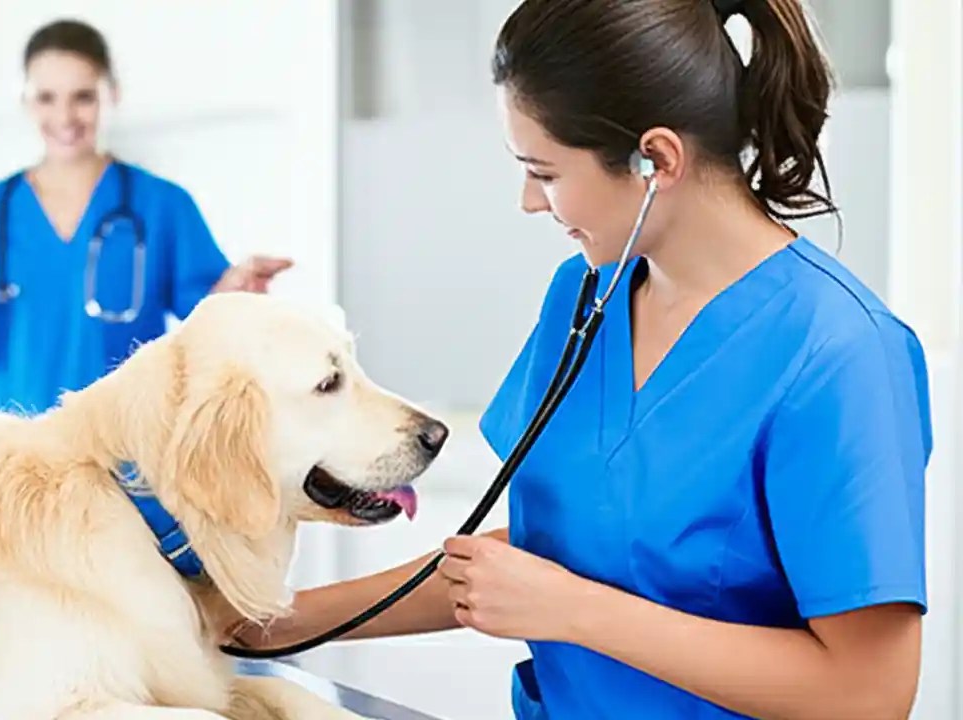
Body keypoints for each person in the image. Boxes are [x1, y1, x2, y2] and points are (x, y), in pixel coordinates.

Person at [217, 1, 931, 718]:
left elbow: (868, 694)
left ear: (656, 160)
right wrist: (277, 621)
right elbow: (536, 559)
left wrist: (577, 613)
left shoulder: (842, 355)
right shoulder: (584, 297)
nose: (530, 201)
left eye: (545, 172)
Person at [0, 19, 292, 414]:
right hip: (14, 465)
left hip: (128, 460)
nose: (64, 117)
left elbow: (205, 330)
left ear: (112, 95)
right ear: (26, 101)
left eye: (83, 97)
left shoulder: (162, 205)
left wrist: (235, 292)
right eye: (46, 97)